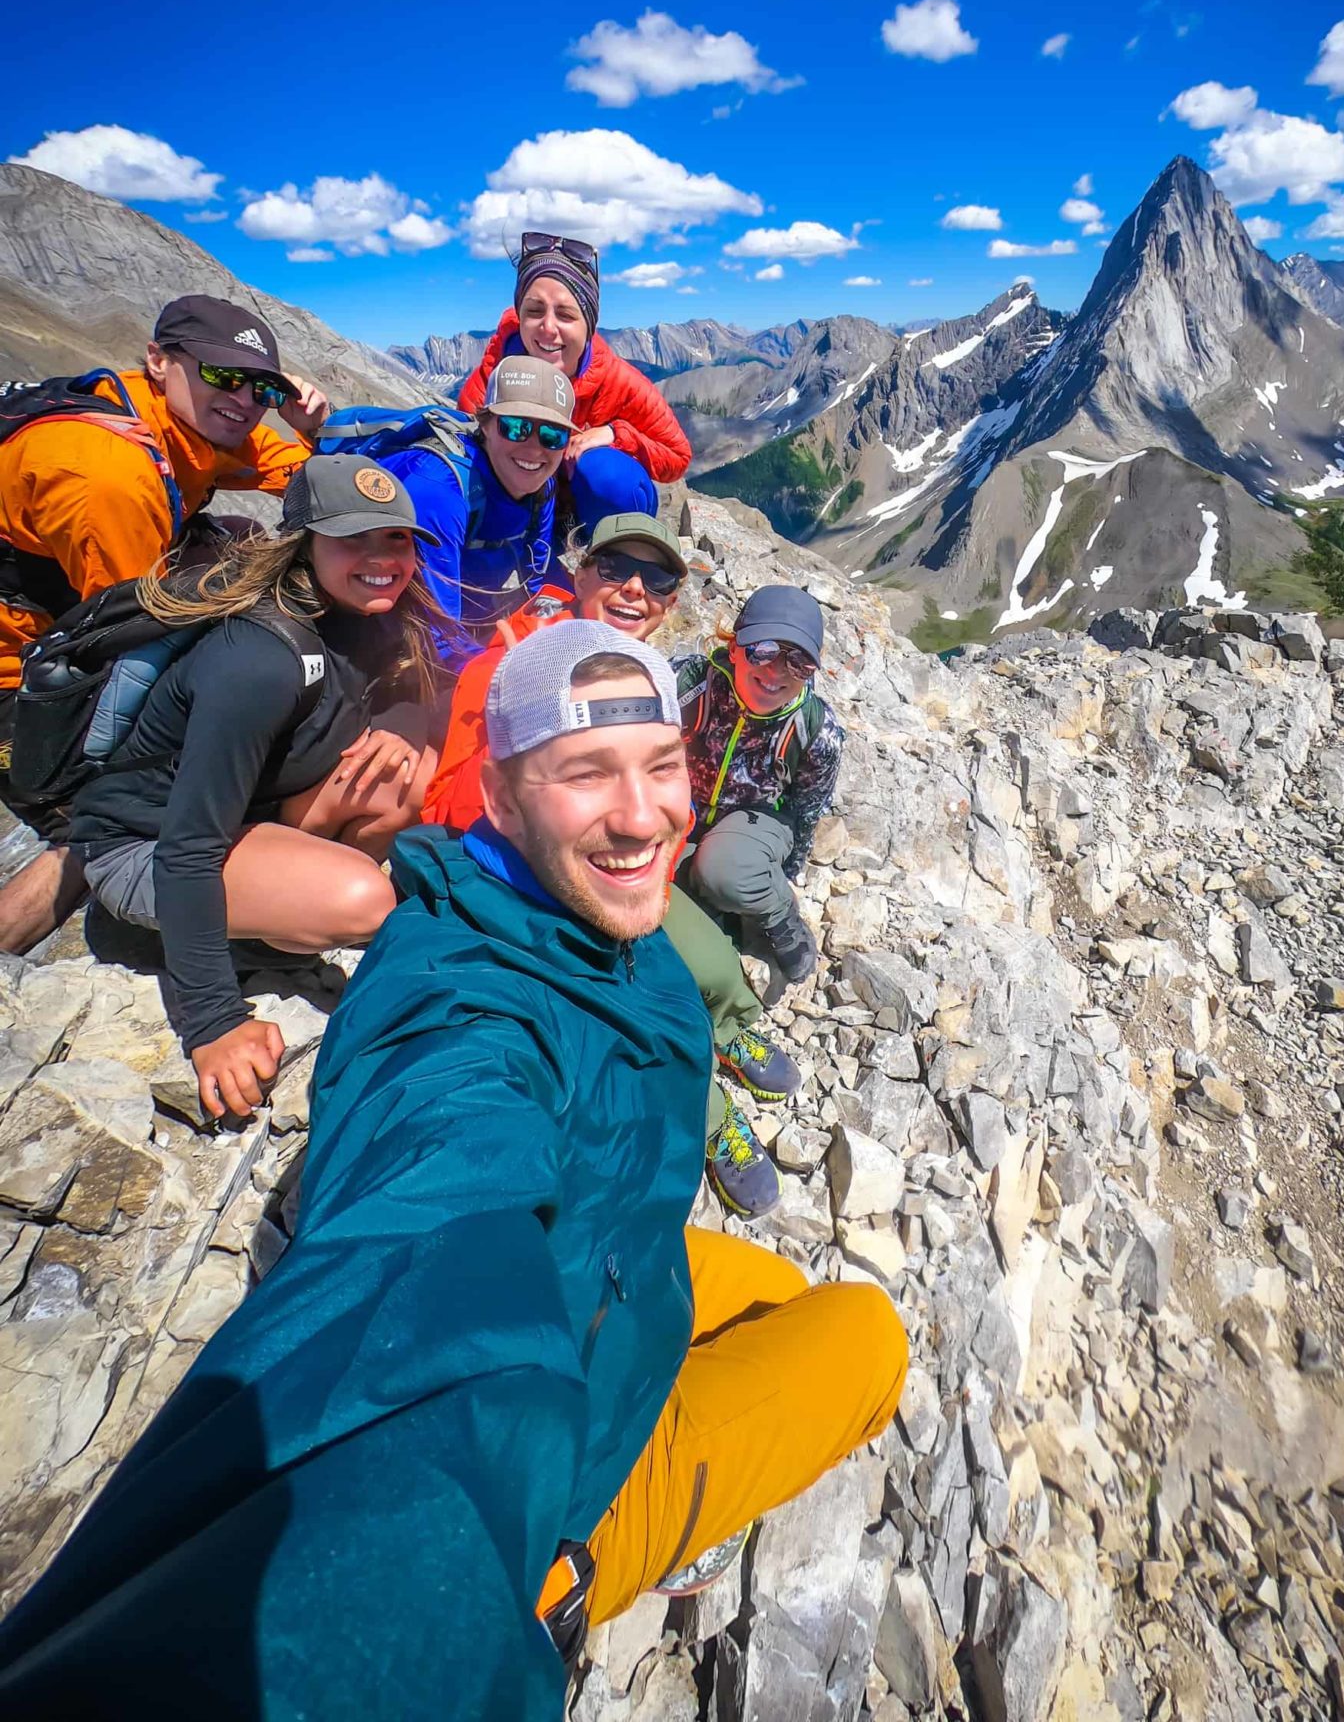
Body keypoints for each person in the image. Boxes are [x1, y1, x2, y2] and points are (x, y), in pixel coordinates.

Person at [0, 623, 907, 1717]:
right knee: (865, 1337)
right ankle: (581, 1574)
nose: (641, 813)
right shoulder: (454, 1006)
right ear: (503, 792)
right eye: (585, 773)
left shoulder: (593, 915)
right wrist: (443, 1606)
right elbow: (432, 1234)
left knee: (770, 1291)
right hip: (552, 1474)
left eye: (661, 765)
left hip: (611, 1258)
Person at [425, 510, 798, 1219]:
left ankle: (731, 1023)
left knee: (713, 964)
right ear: (578, 573)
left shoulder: (651, 677)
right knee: (650, 1008)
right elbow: (449, 799)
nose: (634, 589)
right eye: (614, 570)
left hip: (624, 866)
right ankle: (710, 1114)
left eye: (656, 578)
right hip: (538, 886)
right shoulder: (509, 662)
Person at [67, 455, 442, 1120]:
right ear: (303, 542)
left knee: (406, 782)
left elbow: (422, 692)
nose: (381, 557)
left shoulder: (369, 613)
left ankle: (267, 919)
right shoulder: (259, 660)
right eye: (352, 538)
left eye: (396, 538)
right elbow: (188, 847)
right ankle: (180, 939)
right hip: (146, 847)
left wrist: (402, 727)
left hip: (251, 814)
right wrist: (211, 1023)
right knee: (363, 899)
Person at [0, 295, 329, 953]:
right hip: (21, 683)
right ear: (159, 360)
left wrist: (311, 430)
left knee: (235, 543)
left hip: (70, 624)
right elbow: (135, 630)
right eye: (222, 374)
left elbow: (310, 480)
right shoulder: (109, 473)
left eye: (262, 386)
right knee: (122, 806)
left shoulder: (199, 423)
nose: (244, 397)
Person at [336, 354, 575, 658]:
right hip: (379, 616)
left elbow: (539, 577)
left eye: (553, 435)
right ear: (485, 424)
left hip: (465, 601)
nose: (534, 447)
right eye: (516, 427)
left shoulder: (543, 484)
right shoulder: (439, 491)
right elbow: (436, 633)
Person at [457, 231, 691, 533]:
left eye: (566, 315)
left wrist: (613, 433)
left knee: (607, 475)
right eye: (534, 311)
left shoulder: (617, 380)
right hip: (522, 510)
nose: (548, 328)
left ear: (589, 325)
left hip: (582, 512)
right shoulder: (495, 375)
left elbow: (678, 457)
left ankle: (607, 559)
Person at [673, 584, 843, 985]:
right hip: (681, 806)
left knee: (724, 873)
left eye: (798, 662)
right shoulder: (688, 682)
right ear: (734, 647)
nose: (776, 671)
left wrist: (779, 878)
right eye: (762, 649)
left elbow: (807, 807)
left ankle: (778, 915)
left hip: (757, 819)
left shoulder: (816, 730)